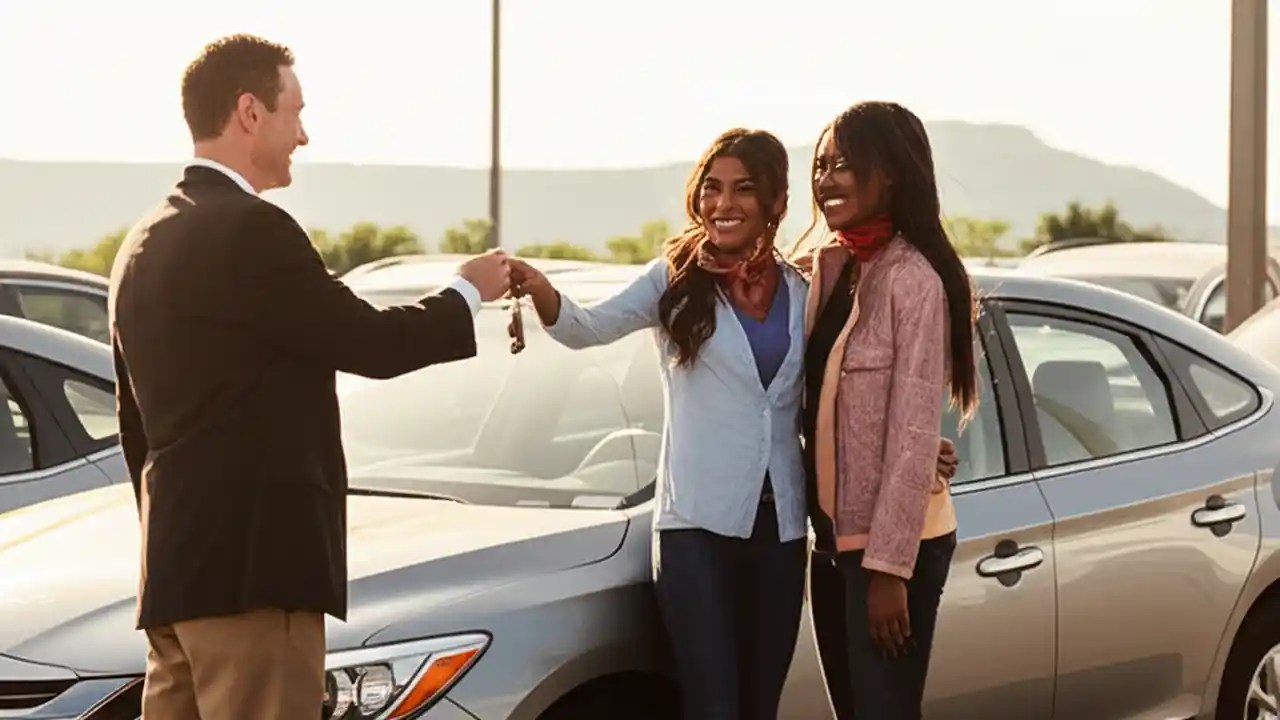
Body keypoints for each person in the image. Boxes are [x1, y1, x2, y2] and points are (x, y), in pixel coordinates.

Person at [108, 34, 510, 719]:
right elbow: (369, 341)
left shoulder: (141, 242)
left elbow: (135, 429)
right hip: (255, 579)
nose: (304, 134)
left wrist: (167, 552)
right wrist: (465, 293)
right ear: (249, 113)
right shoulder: (252, 231)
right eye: (295, 112)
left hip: (177, 577)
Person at [507, 128, 958, 720]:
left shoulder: (806, 287)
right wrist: (542, 291)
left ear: (775, 203)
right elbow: (587, 327)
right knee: (715, 708)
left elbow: (839, 389)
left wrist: (921, 444)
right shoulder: (671, 280)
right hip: (697, 527)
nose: (725, 204)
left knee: (758, 708)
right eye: (713, 189)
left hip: (782, 532)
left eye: (744, 189)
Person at [799, 100, 978, 720]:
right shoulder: (834, 266)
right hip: (831, 542)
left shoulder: (913, 280)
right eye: (821, 164)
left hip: (891, 549)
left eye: (845, 164)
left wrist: (888, 570)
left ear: (894, 171)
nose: (826, 179)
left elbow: (909, 433)